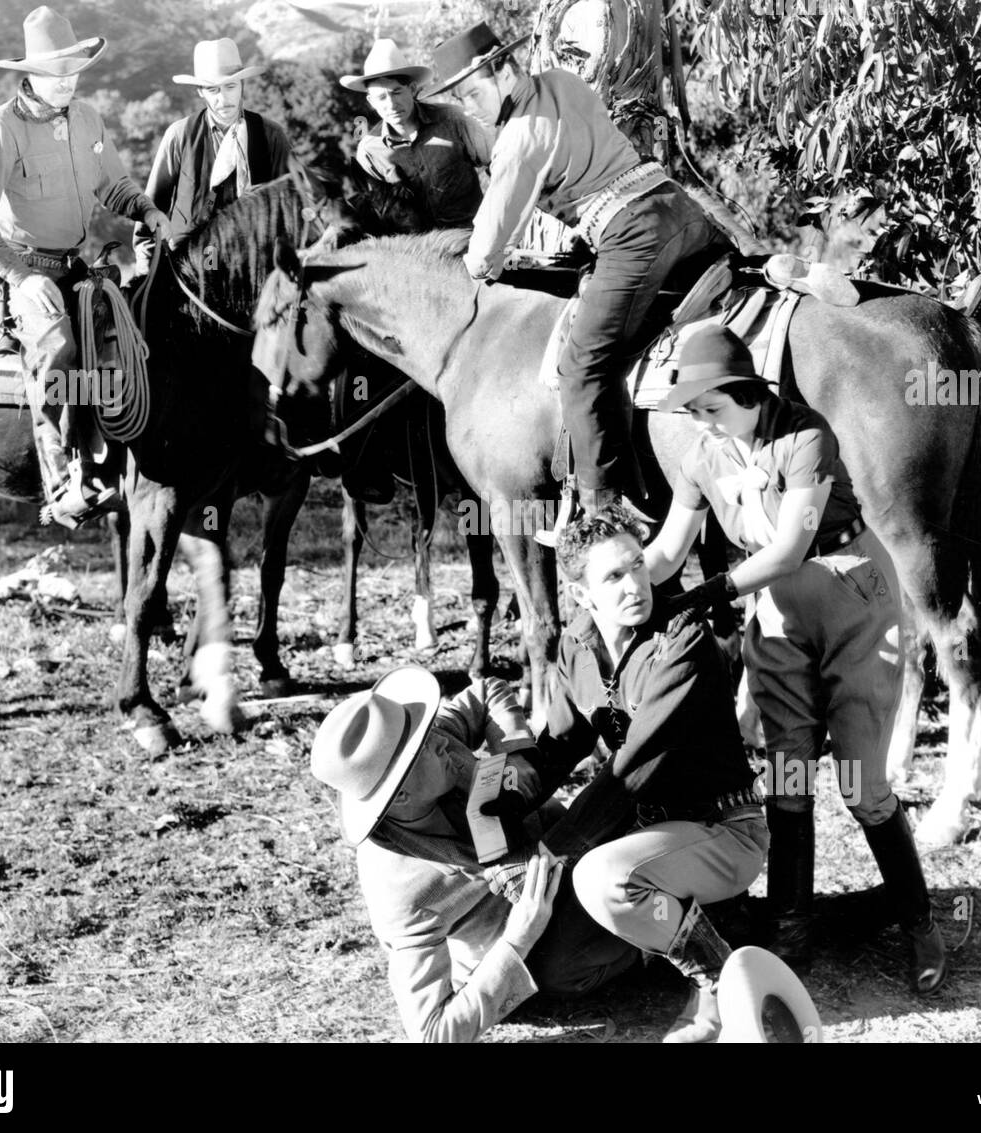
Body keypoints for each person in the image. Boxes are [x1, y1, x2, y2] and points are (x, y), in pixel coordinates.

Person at [643, 323, 948, 994]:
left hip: (849, 595)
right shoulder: (704, 453)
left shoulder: (806, 435)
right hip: (778, 611)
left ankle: (919, 918)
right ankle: (792, 927)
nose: (701, 423)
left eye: (709, 407)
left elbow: (785, 549)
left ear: (742, 390)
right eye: (691, 412)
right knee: (785, 773)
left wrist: (705, 593)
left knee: (863, 782)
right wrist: (625, 582)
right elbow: (669, 545)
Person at [424, 22, 734, 532]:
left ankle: (604, 510)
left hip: (634, 238)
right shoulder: (563, 81)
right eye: (459, 99)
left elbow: (481, 257)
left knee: (581, 366)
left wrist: (493, 260)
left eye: (473, 92)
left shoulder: (518, 140)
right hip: (683, 212)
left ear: (506, 69)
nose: (470, 109)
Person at [499, 505, 769, 1042]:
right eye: (614, 576)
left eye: (638, 566)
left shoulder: (683, 640)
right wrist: (495, 803)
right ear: (581, 596)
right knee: (560, 970)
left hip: (721, 829)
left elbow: (633, 766)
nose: (634, 586)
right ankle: (666, 932)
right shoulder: (576, 647)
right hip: (645, 834)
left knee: (605, 879)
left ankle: (719, 982)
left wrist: (552, 848)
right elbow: (554, 749)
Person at [310, 667, 637, 1043]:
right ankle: (649, 945)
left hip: (569, 840)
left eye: (430, 730)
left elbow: (486, 691)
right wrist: (519, 937)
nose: (441, 740)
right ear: (398, 796)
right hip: (537, 938)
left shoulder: (434, 740)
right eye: (424, 748)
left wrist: (514, 753)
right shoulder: (399, 894)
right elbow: (432, 1034)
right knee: (562, 967)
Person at [0, 6, 170, 528]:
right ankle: (58, 482)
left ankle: (111, 463)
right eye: (58, 73)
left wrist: (146, 208)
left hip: (71, 261)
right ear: (31, 73)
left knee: (124, 333)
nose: (69, 82)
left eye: (74, 71)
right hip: (16, 263)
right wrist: (22, 278)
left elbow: (113, 184)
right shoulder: (1, 128)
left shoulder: (89, 119)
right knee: (59, 345)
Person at [133, 38, 294, 274]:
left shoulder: (271, 135)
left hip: (255, 268)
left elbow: (291, 201)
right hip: (189, 270)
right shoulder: (180, 136)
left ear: (242, 86)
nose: (223, 99)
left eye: (230, 87)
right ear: (201, 92)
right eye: (213, 89)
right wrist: (146, 271)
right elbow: (152, 208)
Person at [340, 39, 491, 234]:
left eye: (396, 92)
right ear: (371, 102)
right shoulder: (370, 152)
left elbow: (498, 163)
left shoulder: (454, 120)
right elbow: (376, 213)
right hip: (417, 255)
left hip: (474, 242)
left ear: (412, 89)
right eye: (381, 98)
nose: (391, 104)